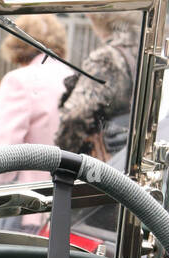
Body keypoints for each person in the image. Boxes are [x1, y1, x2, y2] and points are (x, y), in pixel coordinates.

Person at [0, 13, 72, 188]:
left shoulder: (19, 81)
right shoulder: (73, 77)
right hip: (77, 199)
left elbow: (2, 168)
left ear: (17, 45)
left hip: (36, 202)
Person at [55, 12, 141, 160]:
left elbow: (75, 115)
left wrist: (62, 160)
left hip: (100, 166)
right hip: (130, 156)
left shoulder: (105, 59)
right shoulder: (143, 50)